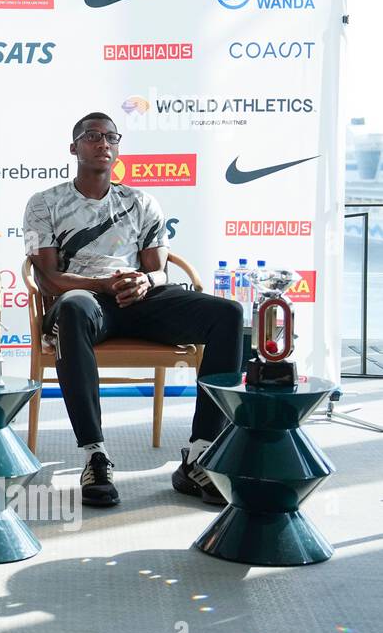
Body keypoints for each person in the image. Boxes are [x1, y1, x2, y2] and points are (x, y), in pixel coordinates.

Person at [23, 111, 245, 508]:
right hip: (85, 301)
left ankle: (199, 454)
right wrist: (102, 285)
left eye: (111, 136)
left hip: (137, 299)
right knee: (72, 307)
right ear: (73, 147)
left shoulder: (140, 201)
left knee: (227, 313)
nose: (103, 142)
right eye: (91, 135)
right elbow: (50, 280)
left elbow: (158, 269)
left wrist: (146, 281)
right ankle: (95, 455)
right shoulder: (45, 203)